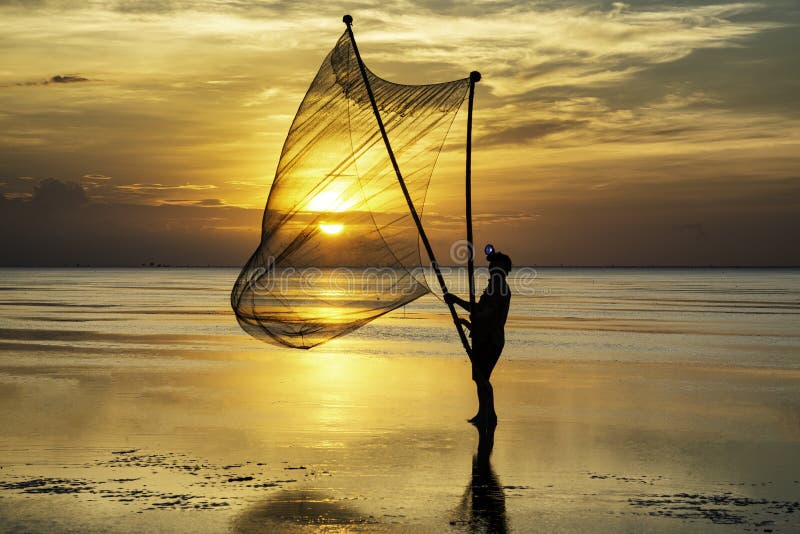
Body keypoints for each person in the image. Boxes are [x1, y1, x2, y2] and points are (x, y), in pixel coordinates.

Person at [445, 247, 512, 427]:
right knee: (480, 379)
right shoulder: (493, 287)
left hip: (491, 340)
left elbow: (486, 314)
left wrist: (468, 321)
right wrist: (456, 301)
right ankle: (485, 413)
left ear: (502, 271)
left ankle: (489, 415)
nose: (491, 271)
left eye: (495, 268)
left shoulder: (500, 288)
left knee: (483, 378)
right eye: (491, 268)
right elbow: (479, 310)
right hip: (484, 338)